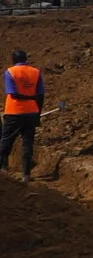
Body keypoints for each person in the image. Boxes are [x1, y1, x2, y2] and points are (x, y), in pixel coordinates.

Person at [2, 50, 42, 180]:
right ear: (26, 59)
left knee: (6, 140)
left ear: (13, 60)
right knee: (27, 143)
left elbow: (13, 94)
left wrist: (27, 97)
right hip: (31, 112)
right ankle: (26, 174)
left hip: (14, 112)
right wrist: (38, 113)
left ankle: (2, 170)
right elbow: (40, 95)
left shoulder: (10, 72)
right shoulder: (35, 72)